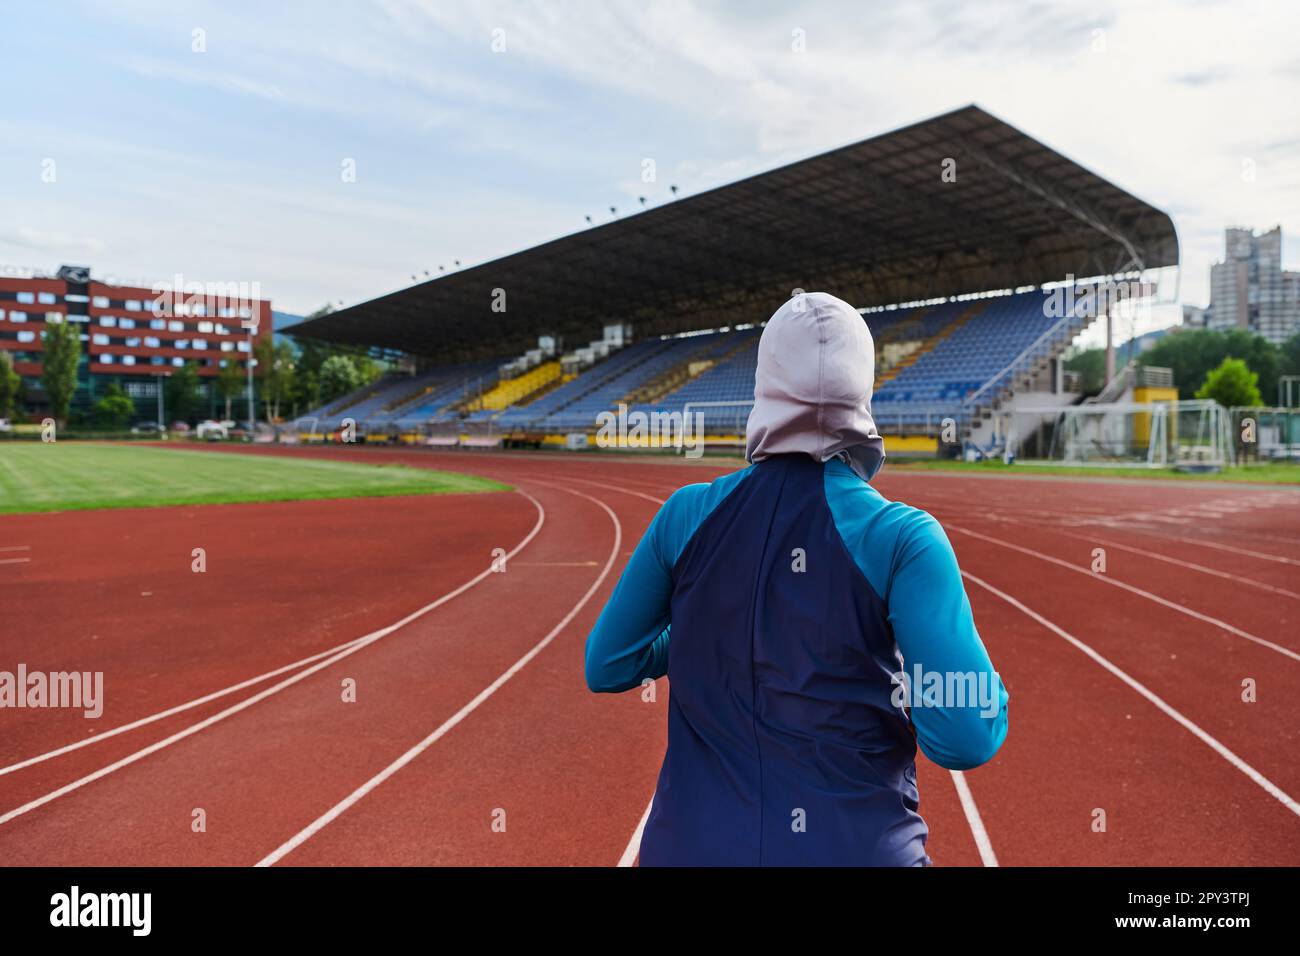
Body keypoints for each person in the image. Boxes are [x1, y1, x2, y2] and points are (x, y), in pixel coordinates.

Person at [584, 292, 1008, 866]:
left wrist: (695, 634)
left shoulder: (684, 515)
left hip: (689, 848)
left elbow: (609, 664)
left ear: (765, 384)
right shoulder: (904, 537)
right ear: (864, 389)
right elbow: (964, 737)